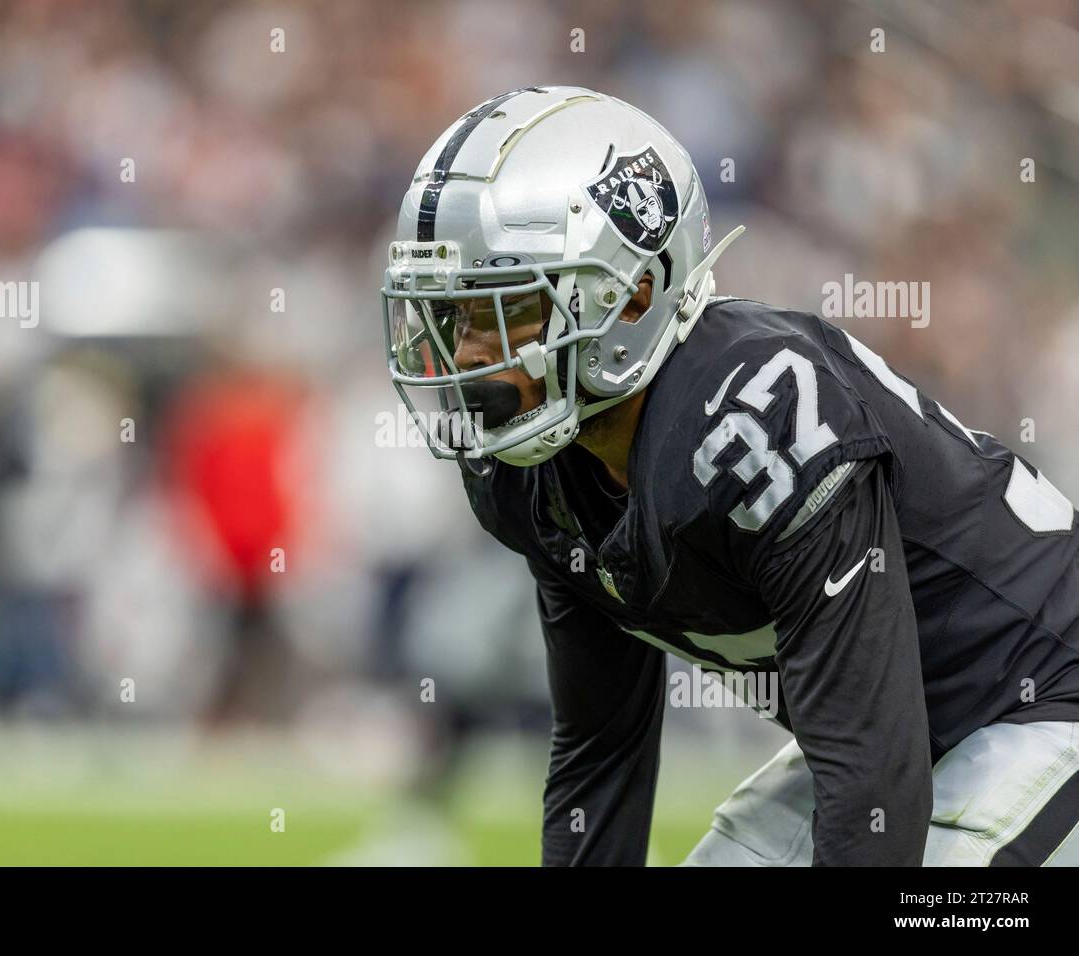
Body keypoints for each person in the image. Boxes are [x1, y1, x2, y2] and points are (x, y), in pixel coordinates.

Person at [379, 85, 1079, 866]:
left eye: (501, 313)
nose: (470, 356)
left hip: (1048, 698)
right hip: (897, 726)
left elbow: (872, 772)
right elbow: (602, 747)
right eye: (452, 318)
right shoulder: (530, 473)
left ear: (631, 297)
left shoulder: (752, 422)